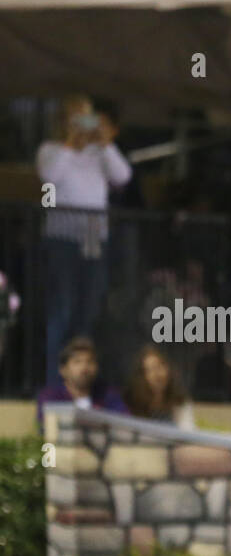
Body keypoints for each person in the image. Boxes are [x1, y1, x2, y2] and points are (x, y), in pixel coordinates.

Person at [35, 95, 133, 385]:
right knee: (62, 307)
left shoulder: (99, 153)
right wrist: (69, 143)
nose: (81, 123)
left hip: (93, 237)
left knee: (88, 309)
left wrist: (104, 143)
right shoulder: (50, 149)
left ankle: (80, 381)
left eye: (86, 117)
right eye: (74, 117)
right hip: (62, 236)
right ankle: (53, 381)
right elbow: (49, 177)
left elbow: (123, 176)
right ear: (63, 121)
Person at [36, 336, 127, 424]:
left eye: (90, 362)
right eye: (77, 362)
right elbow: (46, 429)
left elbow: (123, 422)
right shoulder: (51, 397)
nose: (84, 368)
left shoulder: (108, 395)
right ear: (63, 370)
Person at [124, 345, 196, 429]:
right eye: (150, 370)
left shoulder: (180, 401)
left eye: (159, 367)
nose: (157, 374)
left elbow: (187, 432)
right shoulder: (131, 404)